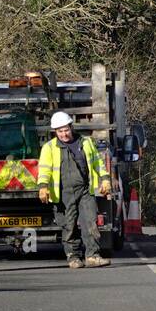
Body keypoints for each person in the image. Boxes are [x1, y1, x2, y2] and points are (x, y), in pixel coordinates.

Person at [37, 112, 112, 269]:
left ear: (71, 127)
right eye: (60, 131)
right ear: (55, 132)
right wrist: (43, 187)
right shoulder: (49, 148)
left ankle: (92, 256)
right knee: (69, 226)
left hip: (85, 190)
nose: (64, 134)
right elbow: (44, 169)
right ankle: (73, 257)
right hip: (64, 193)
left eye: (66, 130)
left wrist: (105, 178)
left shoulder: (86, 142)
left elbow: (97, 162)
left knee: (90, 222)